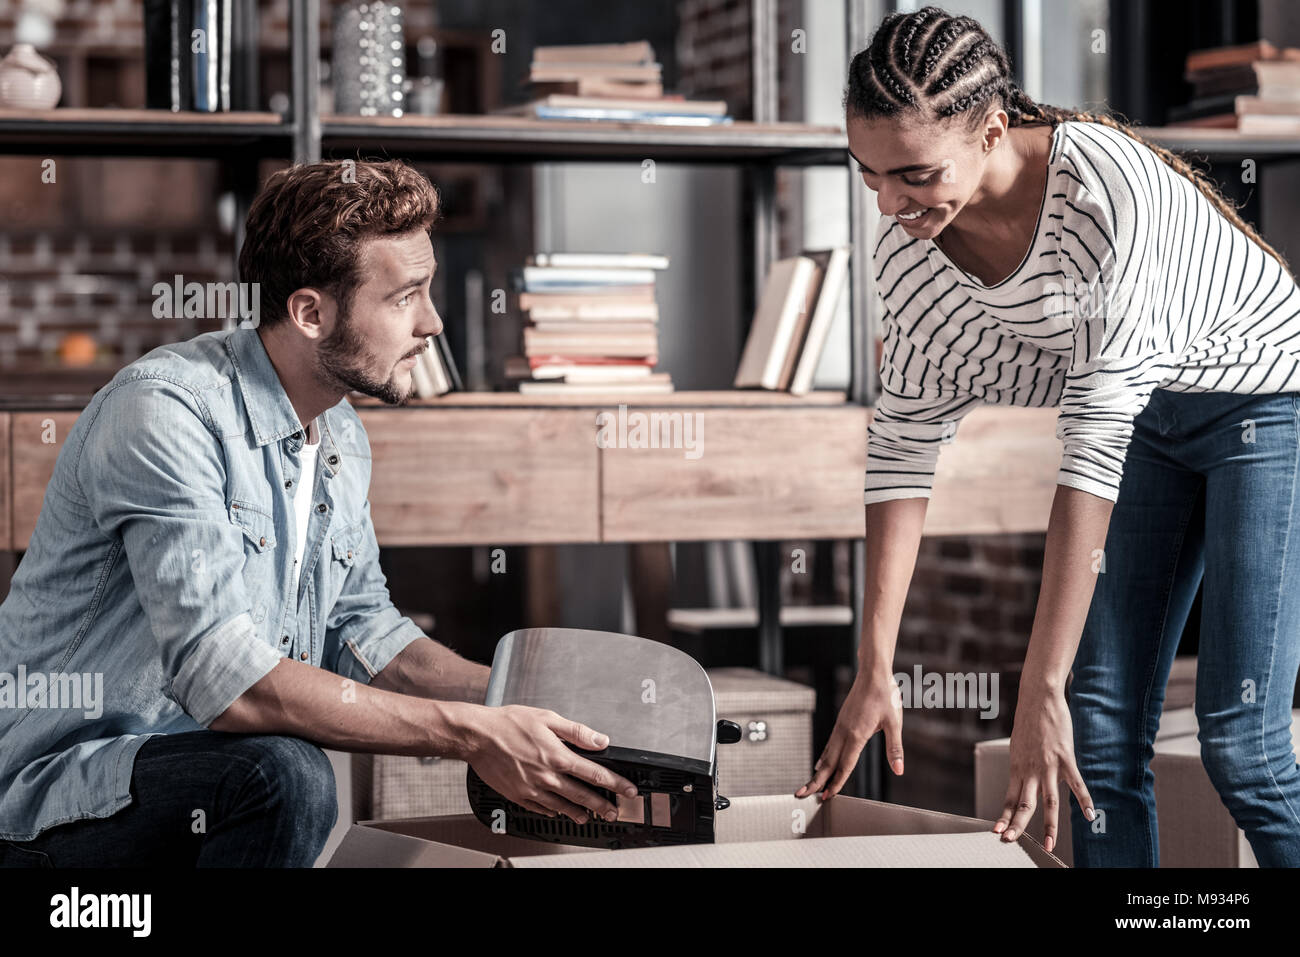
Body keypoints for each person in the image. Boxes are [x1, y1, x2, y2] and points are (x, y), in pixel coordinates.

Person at [0, 159, 636, 867]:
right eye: (405, 297)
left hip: (182, 780)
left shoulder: (337, 431)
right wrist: (471, 733)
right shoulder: (163, 412)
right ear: (310, 312)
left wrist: (529, 703)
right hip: (50, 796)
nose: (433, 322)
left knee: (280, 770)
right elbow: (225, 679)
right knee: (286, 775)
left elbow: (361, 630)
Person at [797, 6, 1300, 867]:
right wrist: (875, 663)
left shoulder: (1105, 197)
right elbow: (904, 444)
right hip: (1146, 419)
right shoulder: (907, 253)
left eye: (912, 173)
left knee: (1241, 744)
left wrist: (1040, 686)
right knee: (1098, 742)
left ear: (992, 130)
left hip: (1259, 398)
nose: (887, 203)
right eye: (868, 173)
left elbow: (1093, 446)